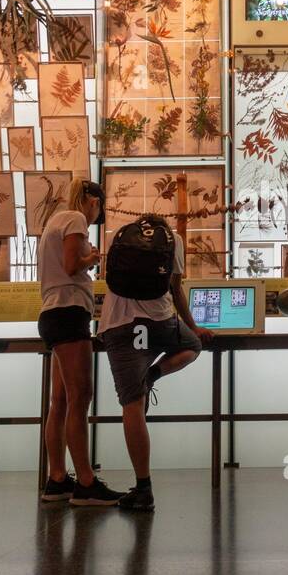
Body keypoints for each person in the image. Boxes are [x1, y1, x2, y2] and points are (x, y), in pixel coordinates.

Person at [99, 214, 212, 511]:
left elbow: (109, 280)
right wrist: (194, 325)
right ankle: (154, 374)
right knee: (193, 346)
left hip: (119, 325)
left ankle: (143, 488)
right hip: (160, 323)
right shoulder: (175, 241)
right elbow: (175, 289)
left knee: (132, 405)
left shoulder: (117, 236)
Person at [36, 179, 124, 506]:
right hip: (70, 312)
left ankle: (57, 478)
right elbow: (72, 264)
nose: (95, 215)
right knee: (80, 396)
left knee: (59, 401)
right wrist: (94, 259)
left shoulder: (53, 222)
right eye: (97, 208)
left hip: (52, 312)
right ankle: (86, 482)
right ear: (91, 200)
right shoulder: (74, 218)